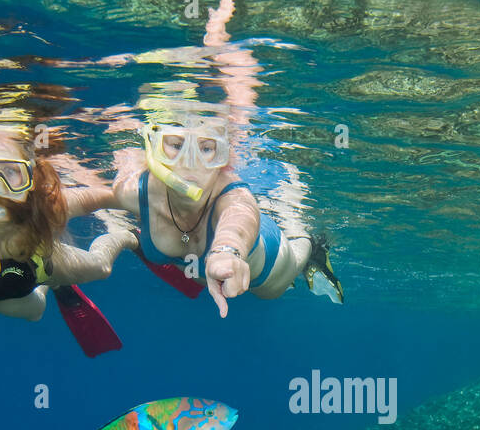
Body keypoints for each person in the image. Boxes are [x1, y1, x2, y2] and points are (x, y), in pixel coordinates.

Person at [112, 99, 343, 318]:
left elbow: (235, 219)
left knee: (289, 268)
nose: (187, 161)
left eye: (205, 149)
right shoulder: (141, 190)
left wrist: (228, 251)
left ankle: (313, 245)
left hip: (266, 269)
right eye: (175, 145)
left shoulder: (231, 198)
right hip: (210, 266)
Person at [0, 118, 137, 324]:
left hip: (46, 264)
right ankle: (52, 285)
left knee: (102, 268)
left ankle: (128, 237)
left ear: (30, 178)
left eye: (11, 171)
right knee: (36, 312)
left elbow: (97, 197)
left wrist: (133, 201)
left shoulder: (43, 207)